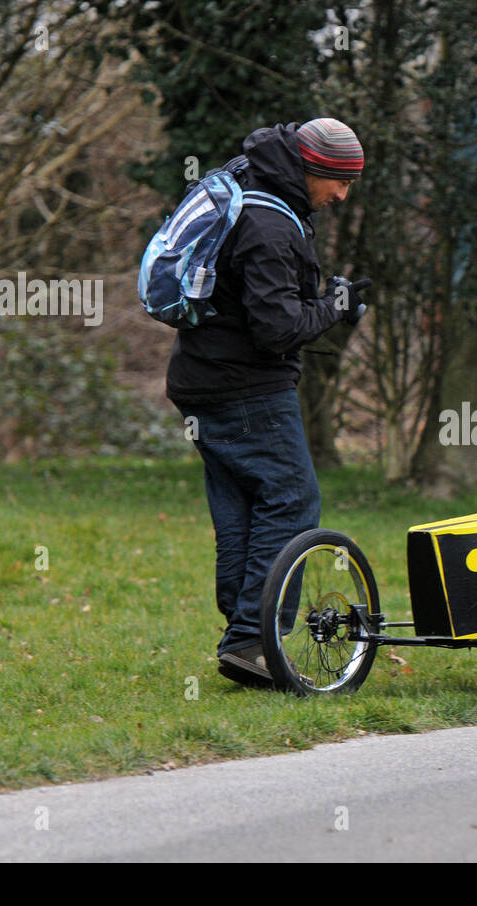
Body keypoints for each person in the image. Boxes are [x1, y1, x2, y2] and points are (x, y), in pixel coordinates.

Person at [166, 118, 372, 687]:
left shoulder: (252, 194)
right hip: (246, 390)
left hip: (200, 383)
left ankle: (242, 639)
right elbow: (277, 329)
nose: (341, 196)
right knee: (290, 498)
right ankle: (254, 640)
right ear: (313, 171)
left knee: (243, 508)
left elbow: (261, 300)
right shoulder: (268, 224)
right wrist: (335, 307)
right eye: (339, 183)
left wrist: (326, 299)